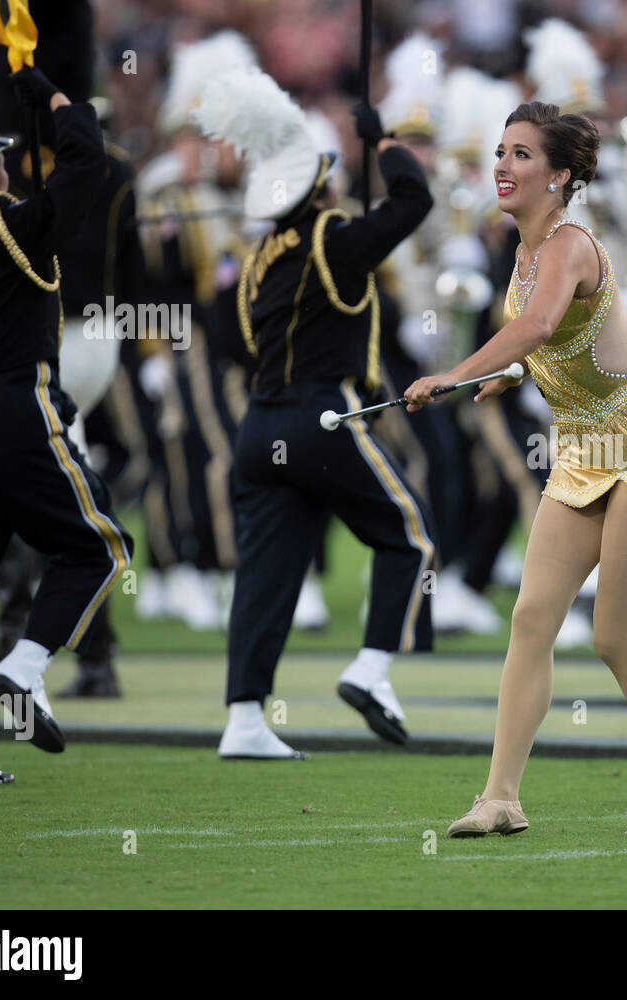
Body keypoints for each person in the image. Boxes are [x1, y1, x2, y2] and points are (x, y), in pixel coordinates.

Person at [406, 101, 627, 836]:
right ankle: (500, 798)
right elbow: (554, 341)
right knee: (530, 616)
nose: (503, 166)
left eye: (521, 154)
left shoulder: (569, 243)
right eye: (500, 151)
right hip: (581, 447)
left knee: (614, 637)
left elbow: (540, 325)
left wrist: (454, 372)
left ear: (562, 175)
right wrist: (513, 376)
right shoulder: (523, 257)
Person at [191, 66, 436, 758]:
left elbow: (235, 346)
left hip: (259, 427)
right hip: (323, 416)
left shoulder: (257, 258)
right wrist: (385, 143)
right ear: (322, 183)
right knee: (411, 536)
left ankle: (243, 720)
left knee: (265, 577)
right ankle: (373, 668)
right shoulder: (334, 236)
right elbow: (415, 200)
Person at [0, 21, 133, 784]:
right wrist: (51, 93)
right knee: (102, 544)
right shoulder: (11, 227)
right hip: (12, 415)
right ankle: (23, 666)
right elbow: (89, 165)